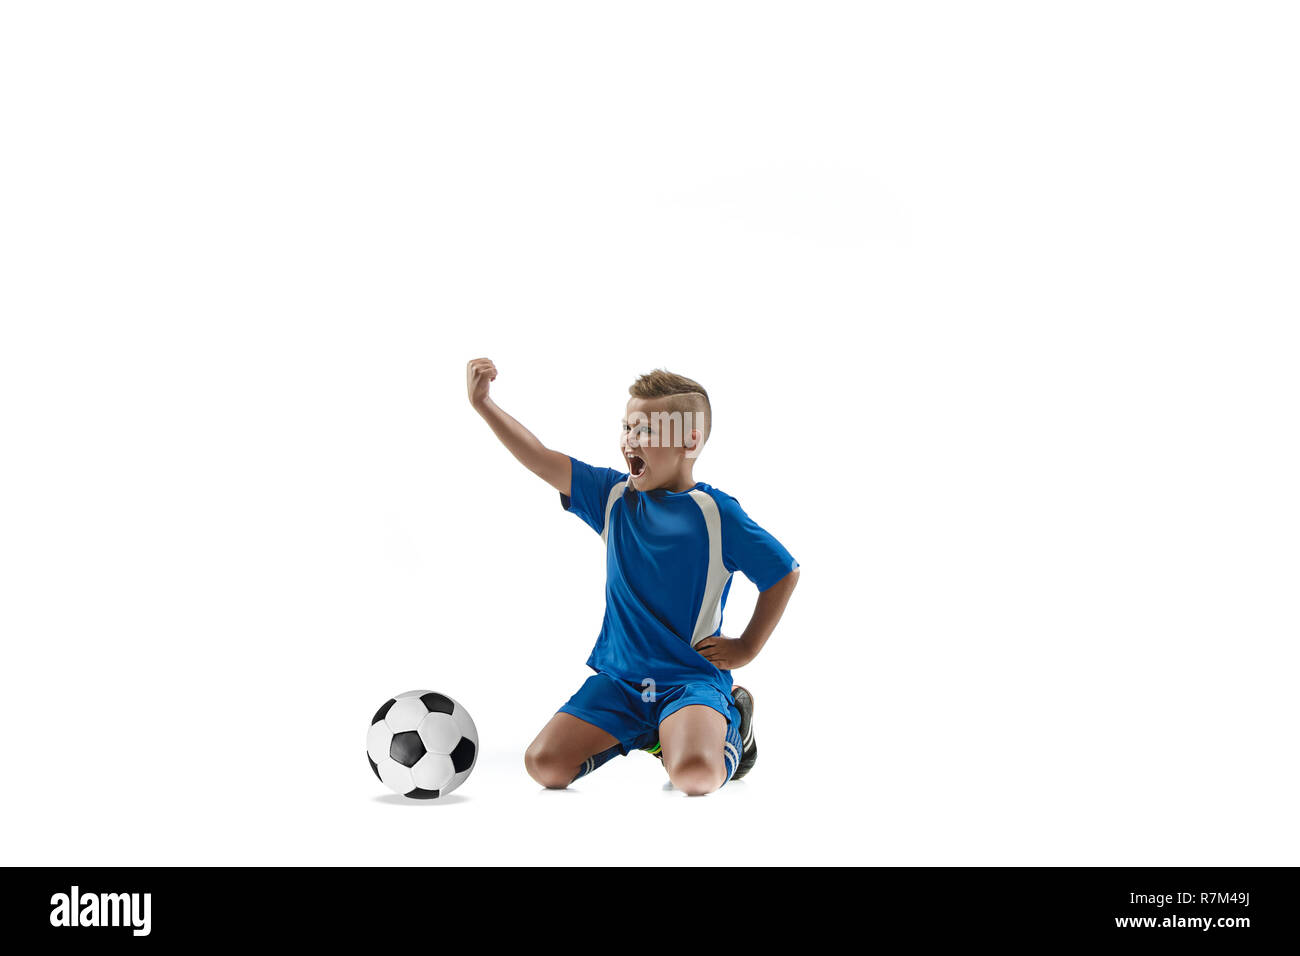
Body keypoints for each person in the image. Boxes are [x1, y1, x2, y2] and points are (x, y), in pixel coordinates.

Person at [467, 358, 800, 795]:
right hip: (621, 682)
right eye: (627, 428)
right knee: (544, 765)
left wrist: (747, 646)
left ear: (689, 441)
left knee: (695, 777)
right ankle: (656, 736)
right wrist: (484, 405)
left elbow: (782, 572)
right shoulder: (611, 496)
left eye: (645, 431)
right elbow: (540, 457)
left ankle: (733, 722)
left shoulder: (718, 514)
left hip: (689, 681)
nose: (630, 440)